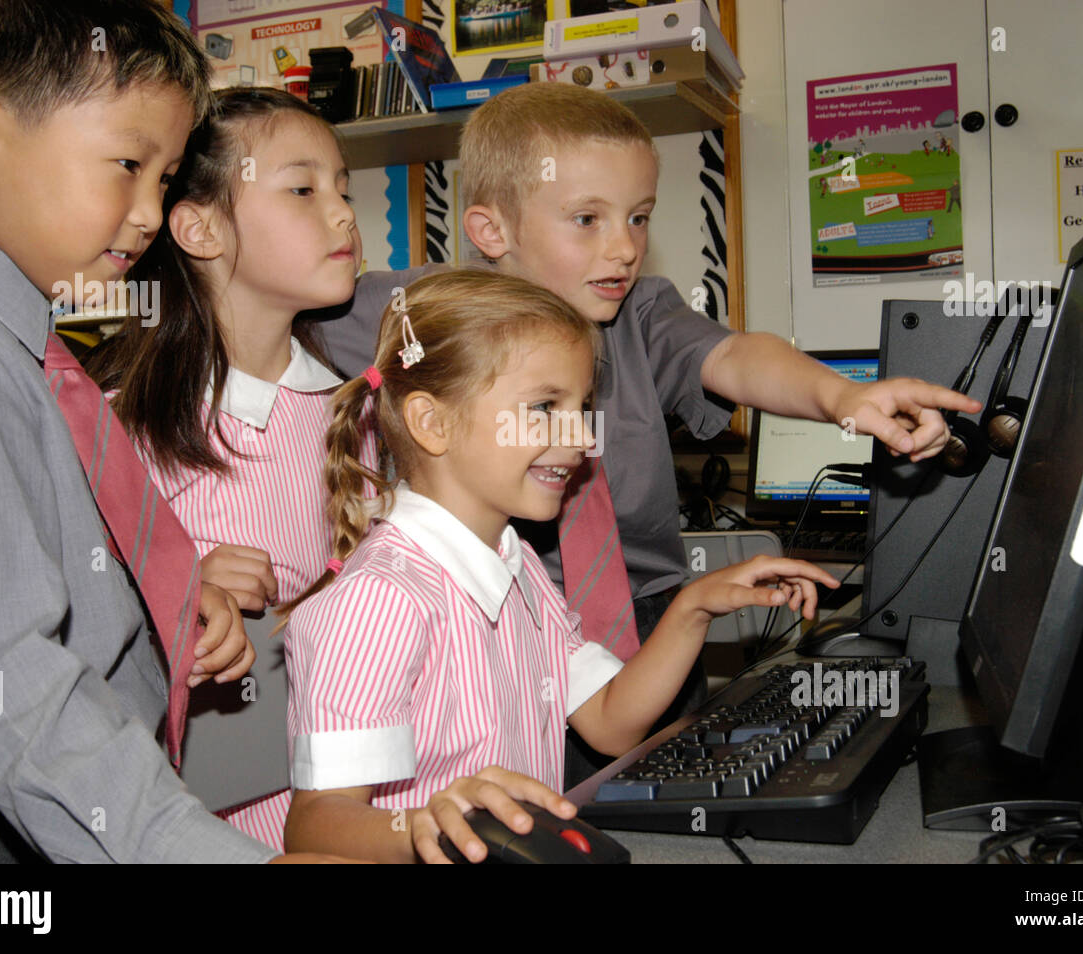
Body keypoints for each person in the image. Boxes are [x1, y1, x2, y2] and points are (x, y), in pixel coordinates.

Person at [311, 82, 982, 786]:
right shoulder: (424, 313)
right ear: (491, 231)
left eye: (638, 218)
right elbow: (282, 303)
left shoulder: (639, 314)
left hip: (654, 627)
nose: (624, 247)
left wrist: (843, 395)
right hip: (507, 631)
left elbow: (732, 356)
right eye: (587, 219)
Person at [0, 0, 328, 863]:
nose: (146, 213)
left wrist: (164, 590)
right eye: (127, 164)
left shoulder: (20, 344)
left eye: (165, 179)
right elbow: (17, 687)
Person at [283, 269, 838, 863]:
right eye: (545, 407)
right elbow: (314, 828)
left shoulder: (516, 564)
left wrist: (691, 607)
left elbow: (608, 722)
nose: (581, 438)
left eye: (582, 408)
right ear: (432, 423)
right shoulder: (380, 602)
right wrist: (424, 825)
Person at [86, 86, 369, 853]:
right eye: (303, 189)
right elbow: (60, 641)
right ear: (199, 226)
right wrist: (176, 589)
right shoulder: (114, 424)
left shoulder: (363, 414)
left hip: (357, 804)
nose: (344, 212)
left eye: (344, 188)